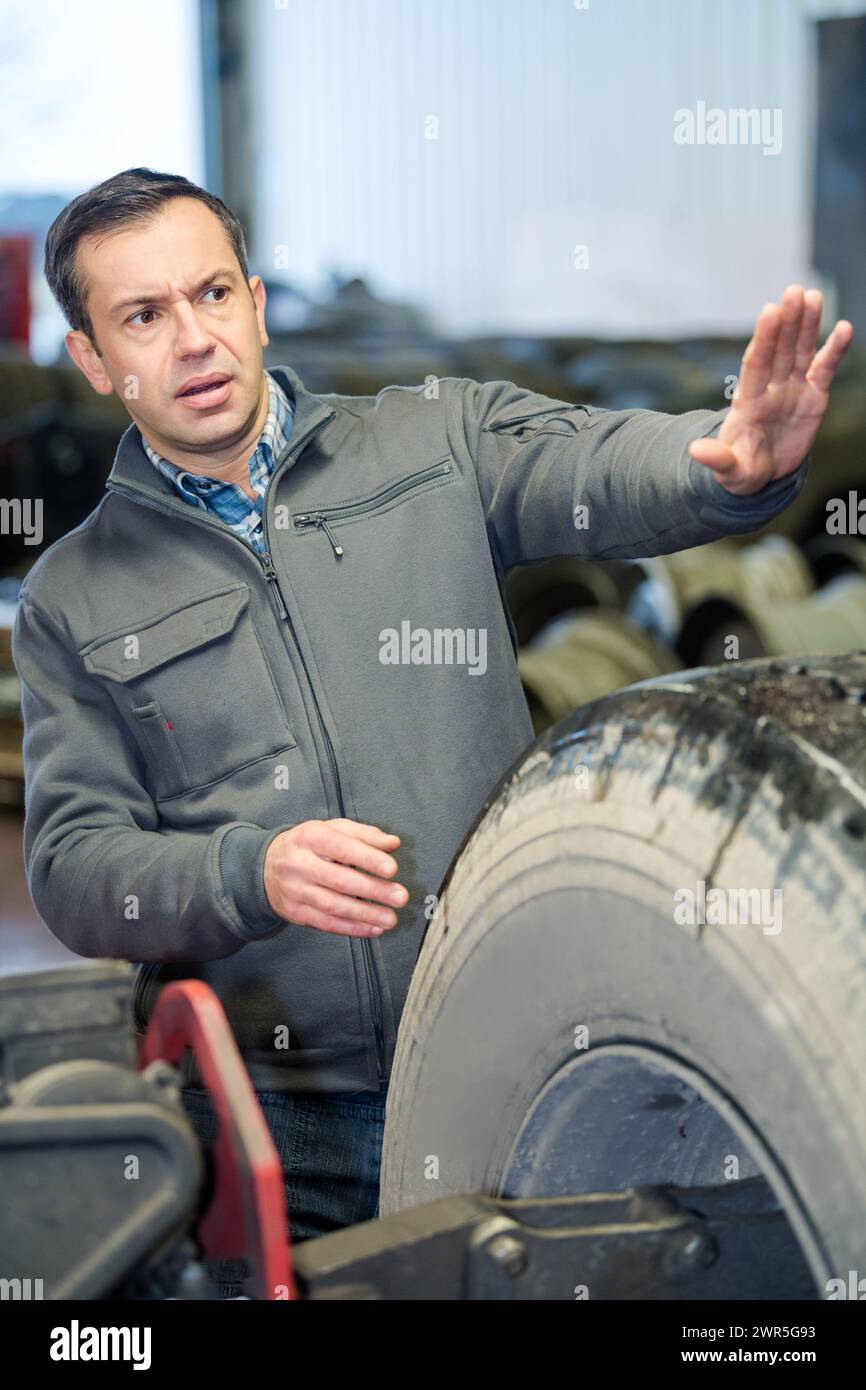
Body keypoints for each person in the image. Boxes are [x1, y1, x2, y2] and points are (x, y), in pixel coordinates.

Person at [13, 167, 851, 1297]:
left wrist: (728, 466)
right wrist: (244, 871)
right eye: (144, 317)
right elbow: (71, 870)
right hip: (276, 1116)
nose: (195, 340)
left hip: (504, 1065)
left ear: (257, 302)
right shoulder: (75, 596)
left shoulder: (431, 443)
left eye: (212, 295)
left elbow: (596, 465)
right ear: (93, 361)